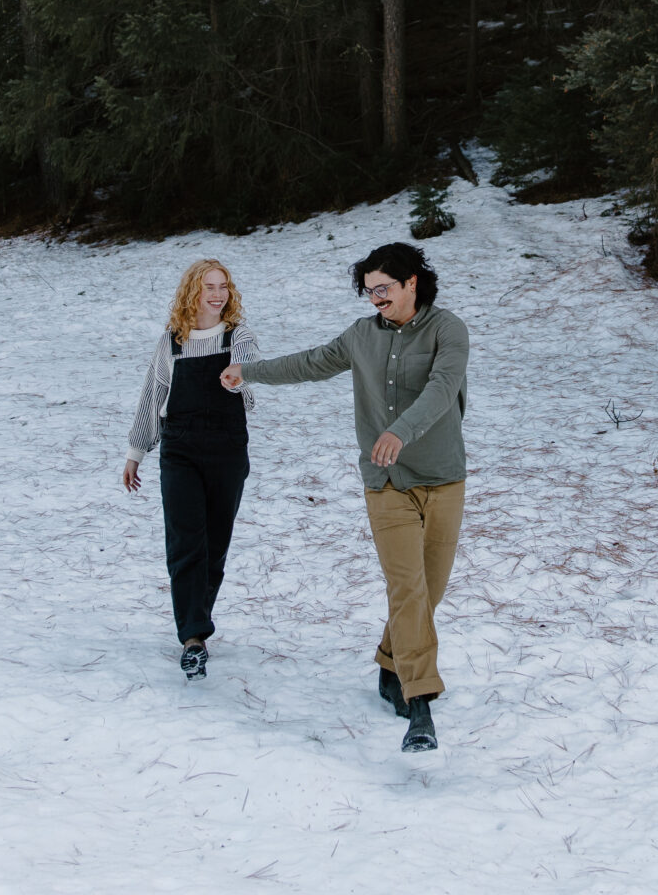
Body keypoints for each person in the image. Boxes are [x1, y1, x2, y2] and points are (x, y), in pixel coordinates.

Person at [221, 242, 467, 753]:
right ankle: (419, 704)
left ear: (412, 283)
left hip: (443, 478)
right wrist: (250, 371)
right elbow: (310, 363)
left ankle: (387, 660)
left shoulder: (448, 330)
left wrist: (401, 430)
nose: (375, 299)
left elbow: (442, 390)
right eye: (368, 291)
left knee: (430, 590)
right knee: (408, 589)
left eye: (383, 289)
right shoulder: (361, 336)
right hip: (387, 482)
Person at [121, 258, 260, 679]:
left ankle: (197, 620)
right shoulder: (173, 342)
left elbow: (251, 379)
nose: (217, 295)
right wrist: (135, 452)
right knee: (185, 541)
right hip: (179, 450)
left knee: (213, 546)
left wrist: (240, 381)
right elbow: (152, 393)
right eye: (208, 287)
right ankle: (193, 638)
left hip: (226, 449)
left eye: (223, 286)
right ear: (192, 293)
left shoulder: (240, 336)